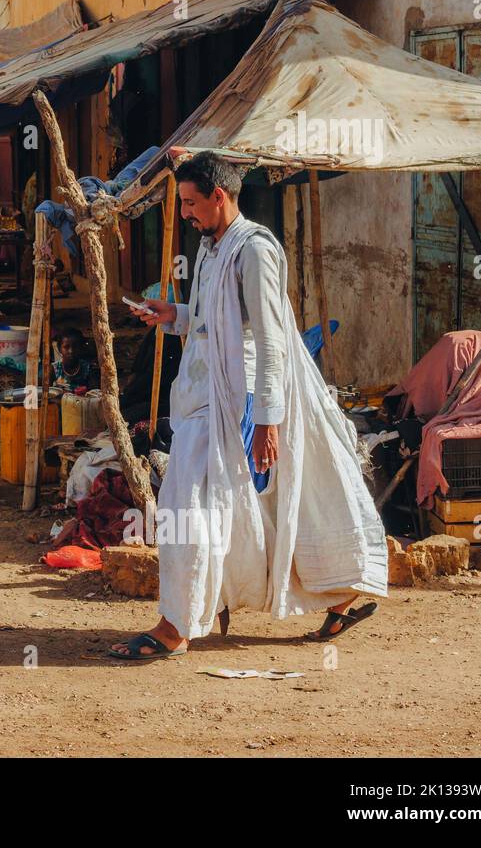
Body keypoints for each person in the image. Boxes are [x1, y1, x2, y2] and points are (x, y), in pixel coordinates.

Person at [109, 151, 386, 659]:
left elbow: (272, 340)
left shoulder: (255, 250)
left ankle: (176, 626)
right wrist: (175, 314)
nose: (186, 213)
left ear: (220, 196)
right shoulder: (214, 248)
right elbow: (220, 321)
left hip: (242, 401)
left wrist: (267, 422)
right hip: (202, 398)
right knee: (233, 511)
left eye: (192, 203)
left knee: (188, 507)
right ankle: (335, 594)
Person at [52, 327, 98, 393]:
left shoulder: (88, 368)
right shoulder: (54, 369)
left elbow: (94, 392)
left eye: (75, 346)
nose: (71, 351)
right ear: (59, 348)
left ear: (81, 347)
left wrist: (86, 390)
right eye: (66, 347)